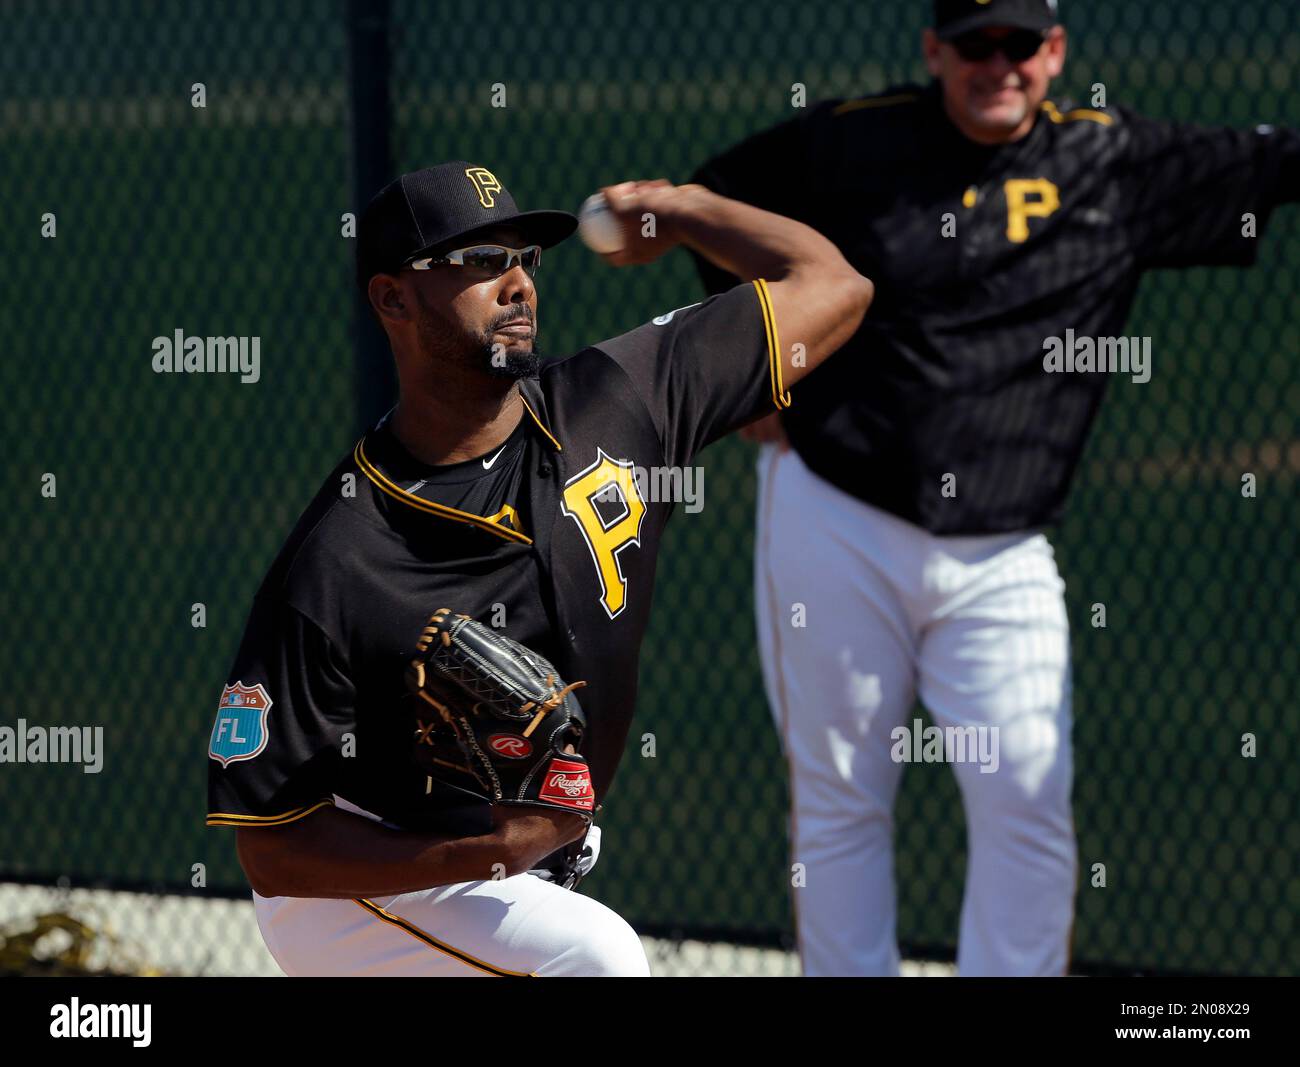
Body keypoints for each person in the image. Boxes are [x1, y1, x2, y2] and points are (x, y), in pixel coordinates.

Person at [691, 0, 1299, 976]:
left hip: (1004, 546)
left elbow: (1277, 164)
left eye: (1019, 43)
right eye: (974, 42)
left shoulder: (1114, 160)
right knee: (840, 795)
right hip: (837, 506)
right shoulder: (852, 141)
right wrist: (755, 359)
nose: (997, 63)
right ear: (935, 49)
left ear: (1054, 53)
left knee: (1025, 787)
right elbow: (712, 201)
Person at [205, 161, 872, 976]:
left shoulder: (621, 401)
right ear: (393, 299)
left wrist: (685, 210)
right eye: (482, 262)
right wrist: (489, 850)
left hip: (511, 871)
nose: (517, 282)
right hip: (359, 885)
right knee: (597, 956)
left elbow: (833, 284)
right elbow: (272, 848)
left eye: (525, 257)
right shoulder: (343, 555)